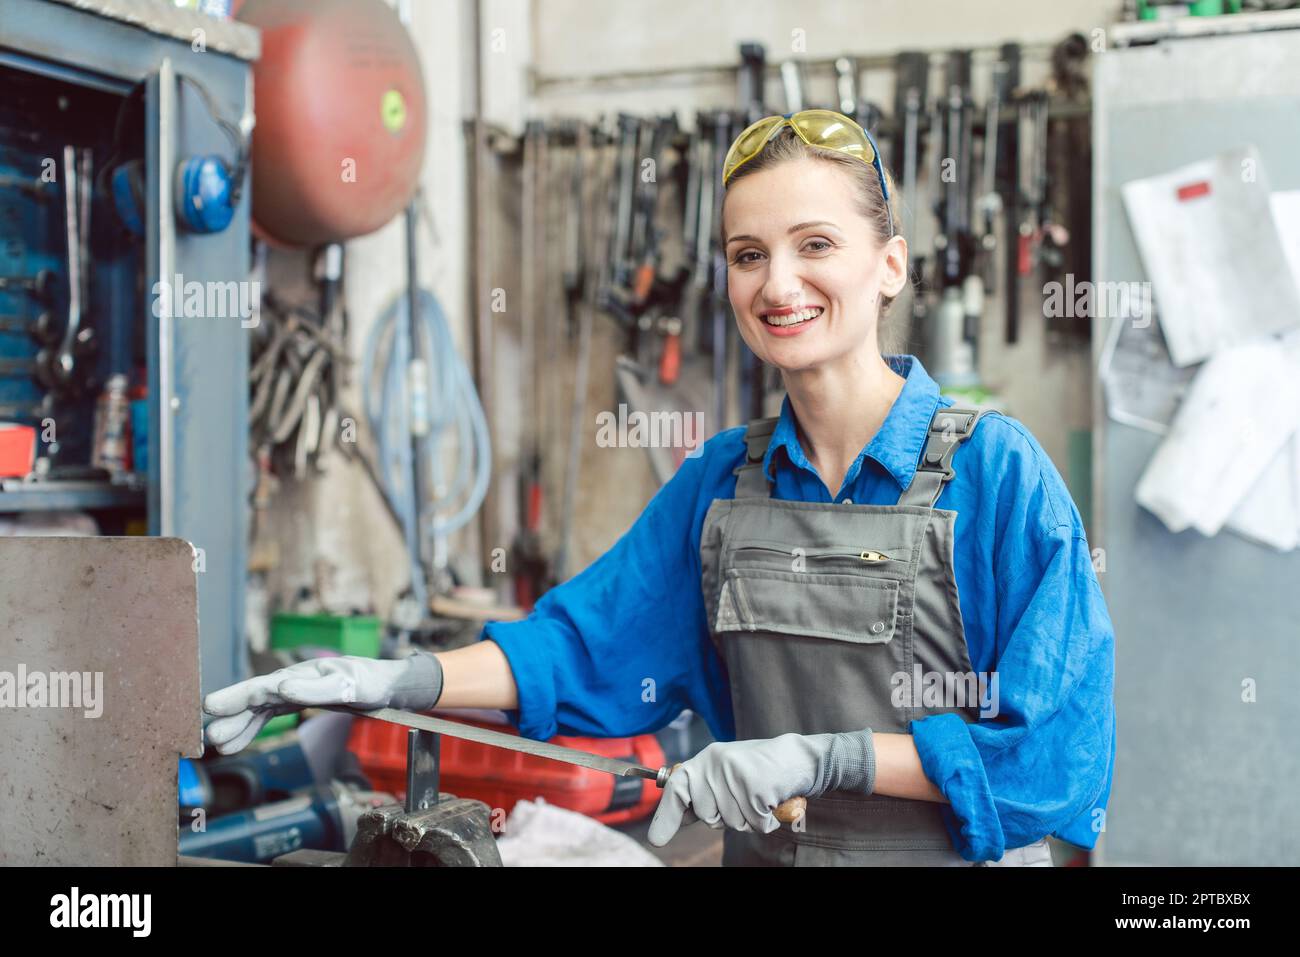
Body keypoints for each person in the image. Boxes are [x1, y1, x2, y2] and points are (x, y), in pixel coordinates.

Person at [205, 110, 1115, 867]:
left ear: (891, 266)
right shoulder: (722, 482)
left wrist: (824, 758)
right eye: (748, 253)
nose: (779, 283)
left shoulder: (996, 476)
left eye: (816, 245)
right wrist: (385, 679)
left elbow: (1052, 759)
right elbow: (579, 648)